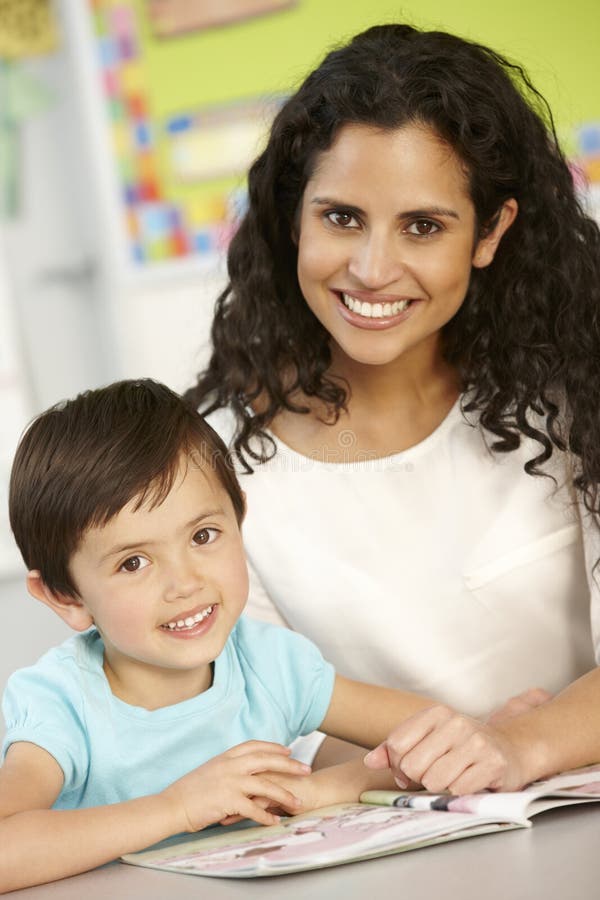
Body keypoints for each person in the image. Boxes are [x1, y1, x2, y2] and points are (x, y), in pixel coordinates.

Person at [184, 24, 600, 777]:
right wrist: (449, 753)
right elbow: (266, 723)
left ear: (491, 231)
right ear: (291, 216)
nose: (374, 269)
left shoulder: (579, 393)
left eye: (423, 226)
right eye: (341, 217)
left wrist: (516, 744)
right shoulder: (213, 465)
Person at [1, 379, 526, 893]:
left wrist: (325, 787)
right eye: (133, 562)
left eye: (204, 536)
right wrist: (177, 808)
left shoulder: (269, 663)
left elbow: (427, 742)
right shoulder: (59, 706)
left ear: (238, 519)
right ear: (66, 597)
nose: (186, 583)